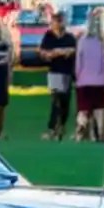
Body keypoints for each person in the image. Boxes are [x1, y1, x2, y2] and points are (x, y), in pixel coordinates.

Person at [75, 7, 104, 142]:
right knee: (99, 109)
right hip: (100, 81)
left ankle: (81, 127)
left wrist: (78, 76)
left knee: (84, 108)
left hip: (84, 80)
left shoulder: (82, 41)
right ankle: (101, 133)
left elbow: (79, 61)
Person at [39, 11, 76, 141]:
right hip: (54, 72)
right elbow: (43, 52)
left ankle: (62, 126)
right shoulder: (48, 37)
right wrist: (52, 54)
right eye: (57, 21)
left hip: (66, 72)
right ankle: (53, 127)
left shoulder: (69, 37)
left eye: (61, 21)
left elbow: (74, 50)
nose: (59, 24)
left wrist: (64, 51)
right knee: (56, 100)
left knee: (65, 101)